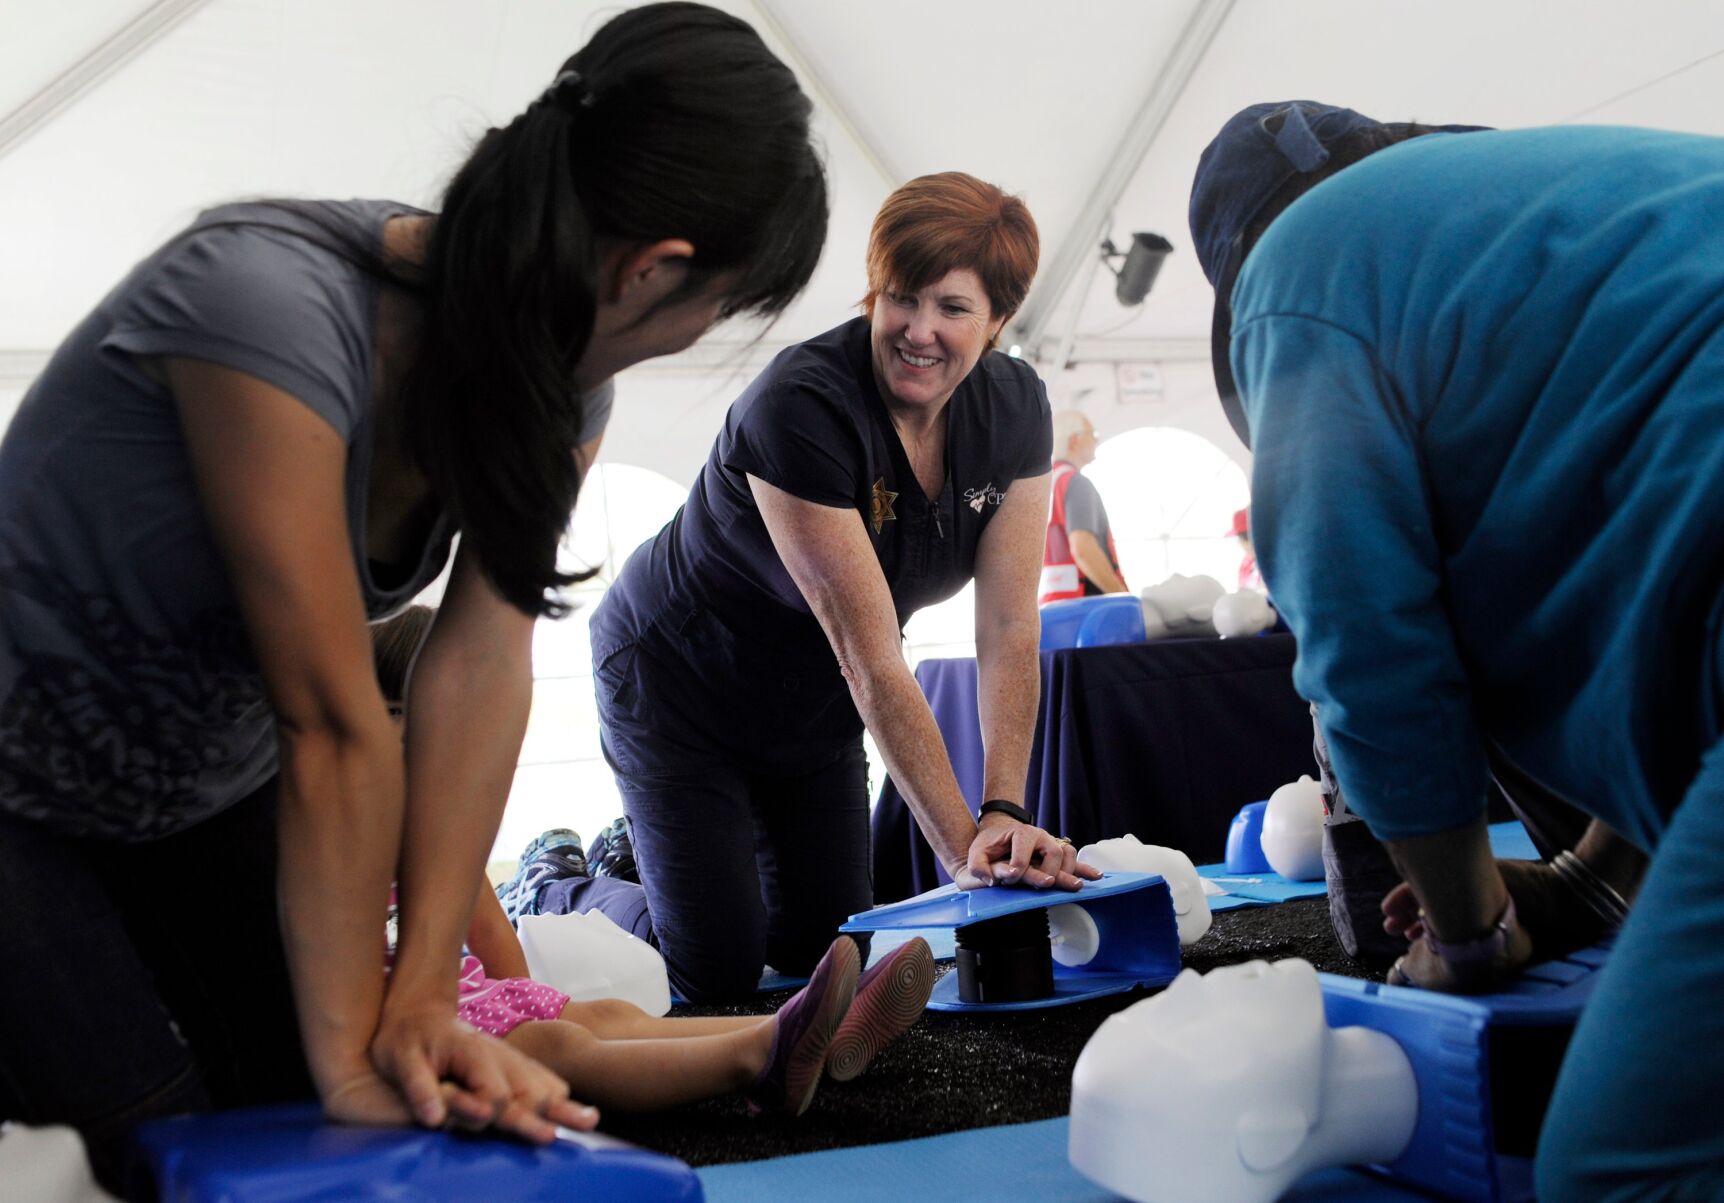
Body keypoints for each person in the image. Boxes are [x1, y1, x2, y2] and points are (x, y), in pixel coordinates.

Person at [0, 3, 828, 1185]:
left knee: (341, 1116)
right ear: (652, 271)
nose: (691, 336)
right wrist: (351, 1057)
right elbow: (334, 719)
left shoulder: (558, 392)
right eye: (711, 312)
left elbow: (478, 670)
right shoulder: (261, 305)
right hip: (17, 795)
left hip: (204, 794)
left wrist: (424, 995)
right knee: (159, 1139)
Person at [1191, 99, 1721, 1197]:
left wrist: (1465, 930)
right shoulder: (1567, 197)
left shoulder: (1296, 283)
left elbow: (1367, 650)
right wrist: (1583, 879)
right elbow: (1656, 563)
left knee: (1621, 1166)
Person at [540, 172, 1100, 1003]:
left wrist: (1004, 811)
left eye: (951, 308)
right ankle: (563, 882)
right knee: (713, 972)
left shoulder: (1016, 409)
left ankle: (650, 852)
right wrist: (963, 853)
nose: (918, 331)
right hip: (679, 683)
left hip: (812, 707)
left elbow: (1011, 629)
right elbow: (872, 658)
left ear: (999, 322)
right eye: (899, 299)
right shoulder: (800, 406)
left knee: (823, 949)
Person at [368, 608, 934, 1118]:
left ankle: (817, 1028)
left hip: (465, 1002)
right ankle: (758, 1058)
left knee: (606, 1015)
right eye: (394, 711)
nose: (412, 738)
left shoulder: (440, 831)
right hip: (395, 1031)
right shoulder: (343, 836)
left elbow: (497, 948)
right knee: (557, 1047)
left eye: (435, 720)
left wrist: (533, 1003)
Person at [1038, 409, 1128, 604]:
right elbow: (1083, 548)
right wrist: (1123, 598)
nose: (1097, 441)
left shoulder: (1045, 484)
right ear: (1074, 440)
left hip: (1053, 604)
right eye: (1092, 435)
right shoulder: (1076, 483)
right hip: (1088, 605)